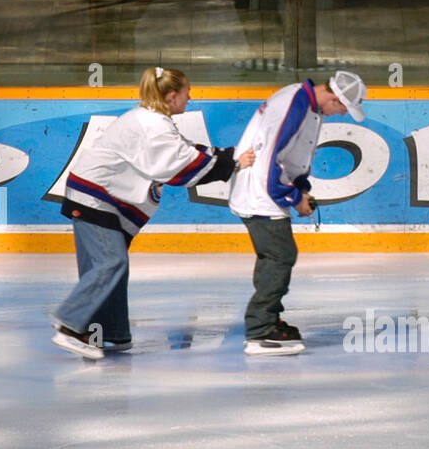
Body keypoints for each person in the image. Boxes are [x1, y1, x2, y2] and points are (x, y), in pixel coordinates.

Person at [51, 66, 254, 359]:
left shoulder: (154, 121)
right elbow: (179, 165)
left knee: (108, 267)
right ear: (172, 96)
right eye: (187, 92)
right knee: (111, 263)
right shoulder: (153, 126)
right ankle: (71, 325)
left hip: (96, 196)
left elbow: (186, 150)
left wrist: (229, 156)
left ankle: (108, 334)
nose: (190, 97)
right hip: (94, 198)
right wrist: (232, 164)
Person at [227, 70, 367, 356]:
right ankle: (259, 330)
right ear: (333, 96)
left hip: (266, 191)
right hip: (260, 192)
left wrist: (301, 188)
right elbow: (267, 160)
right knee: (281, 255)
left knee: (273, 256)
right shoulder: (293, 105)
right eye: (342, 107)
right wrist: (293, 197)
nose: (341, 114)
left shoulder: (308, 105)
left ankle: (268, 320)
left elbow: (294, 156)